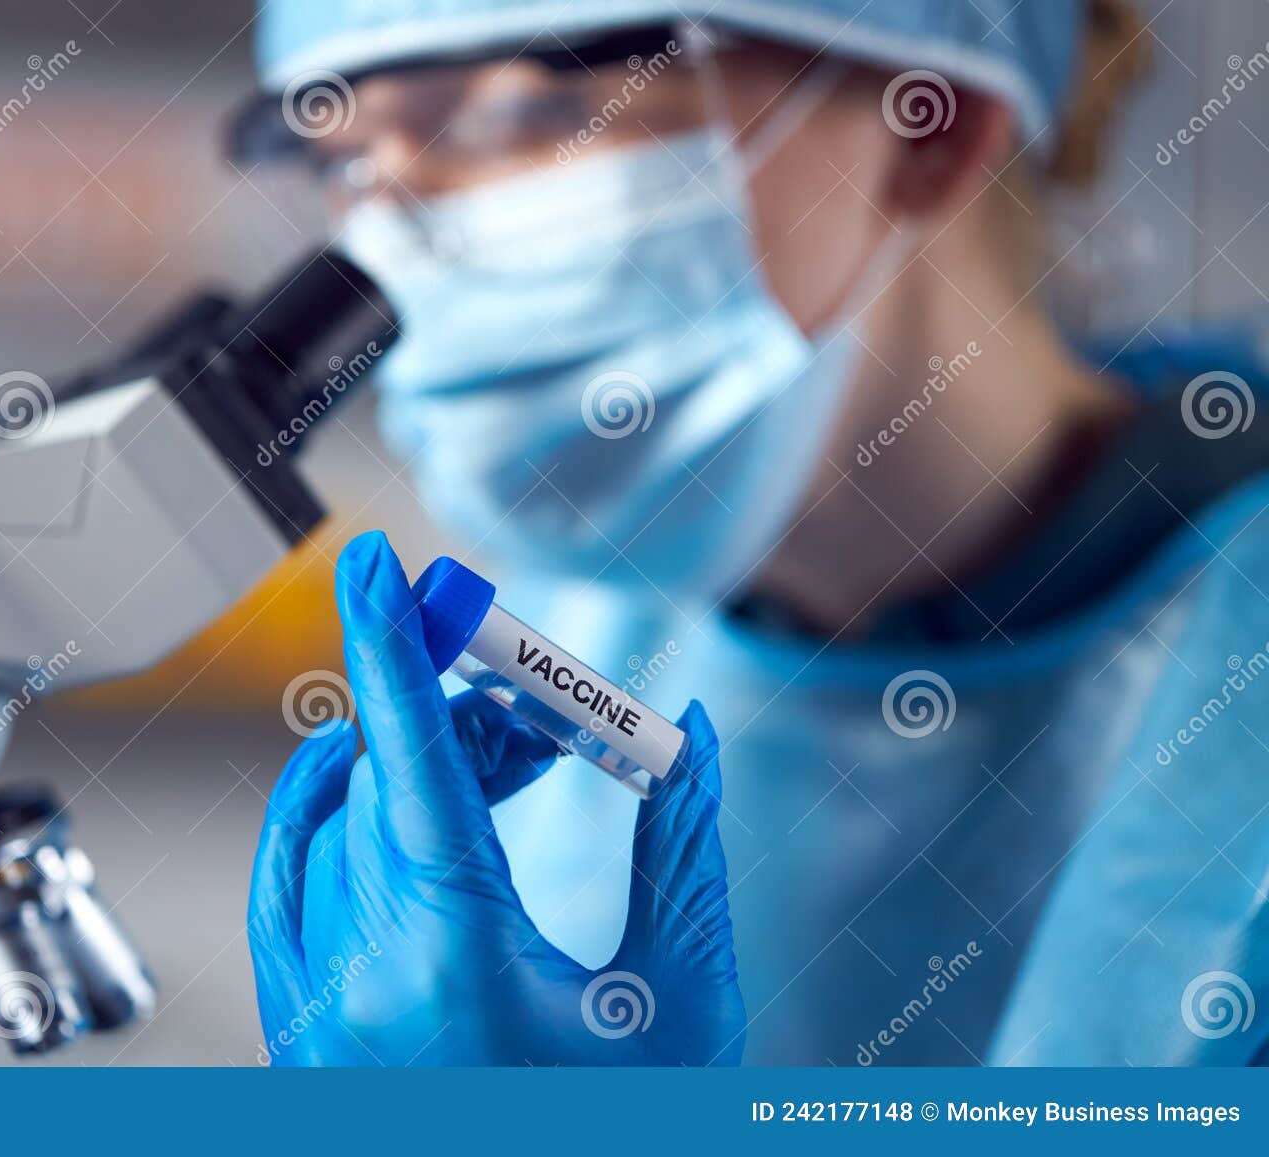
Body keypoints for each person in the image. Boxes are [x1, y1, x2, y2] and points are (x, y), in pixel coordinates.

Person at [243, 0, 1269, 1066]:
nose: (398, 240)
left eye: (530, 111)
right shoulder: (571, 616)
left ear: (929, 126)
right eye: (345, 160)